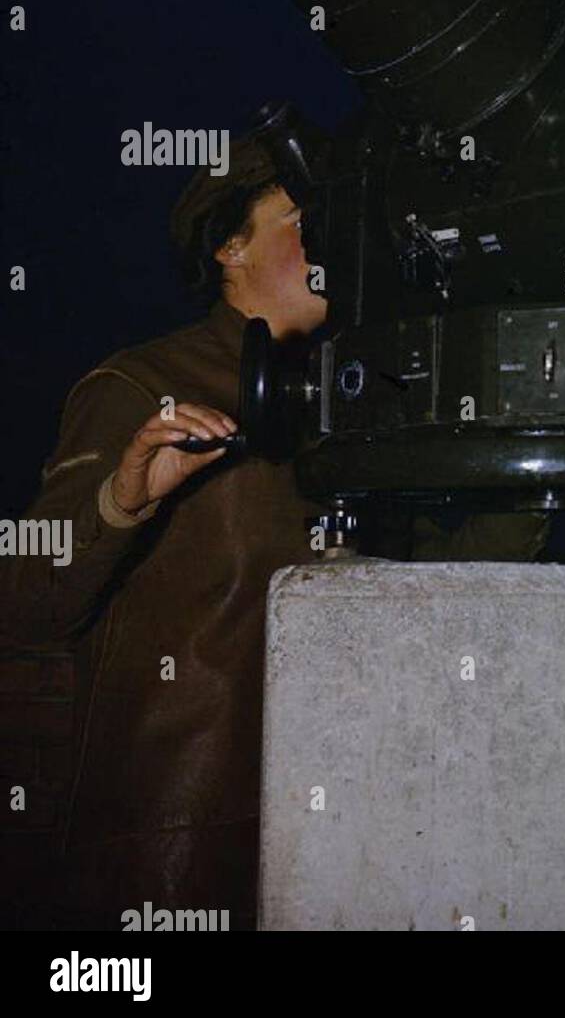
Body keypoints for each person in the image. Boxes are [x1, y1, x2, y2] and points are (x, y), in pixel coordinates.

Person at [0, 137, 326, 929]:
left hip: (321, 841)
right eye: (303, 221)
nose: (332, 246)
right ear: (230, 245)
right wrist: (119, 504)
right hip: (171, 856)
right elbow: (27, 601)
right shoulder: (141, 386)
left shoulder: (356, 396)